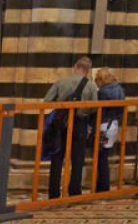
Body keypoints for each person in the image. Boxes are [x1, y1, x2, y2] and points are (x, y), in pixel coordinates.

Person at [42, 56, 98, 199]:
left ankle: (54, 193)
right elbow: (95, 107)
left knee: (57, 157)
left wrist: (61, 108)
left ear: (75, 67)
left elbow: (47, 101)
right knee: (78, 158)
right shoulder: (91, 85)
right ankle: (74, 191)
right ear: (87, 70)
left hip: (61, 124)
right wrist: (82, 111)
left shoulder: (61, 82)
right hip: (80, 123)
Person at [93, 68, 125, 193]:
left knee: (101, 156)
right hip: (114, 124)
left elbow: (98, 109)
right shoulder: (120, 89)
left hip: (103, 125)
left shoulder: (103, 91)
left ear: (101, 79)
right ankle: (103, 184)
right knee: (104, 155)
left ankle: (102, 185)